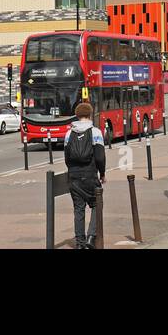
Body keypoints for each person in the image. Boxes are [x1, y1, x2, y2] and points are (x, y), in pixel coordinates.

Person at [63, 101, 106, 250]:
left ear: (77, 115)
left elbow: (67, 158)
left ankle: (80, 243)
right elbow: (100, 157)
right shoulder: (96, 132)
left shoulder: (69, 134)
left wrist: (73, 171)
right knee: (96, 204)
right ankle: (91, 236)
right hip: (90, 174)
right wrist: (102, 174)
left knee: (78, 209)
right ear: (90, 115)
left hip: (74, 176)